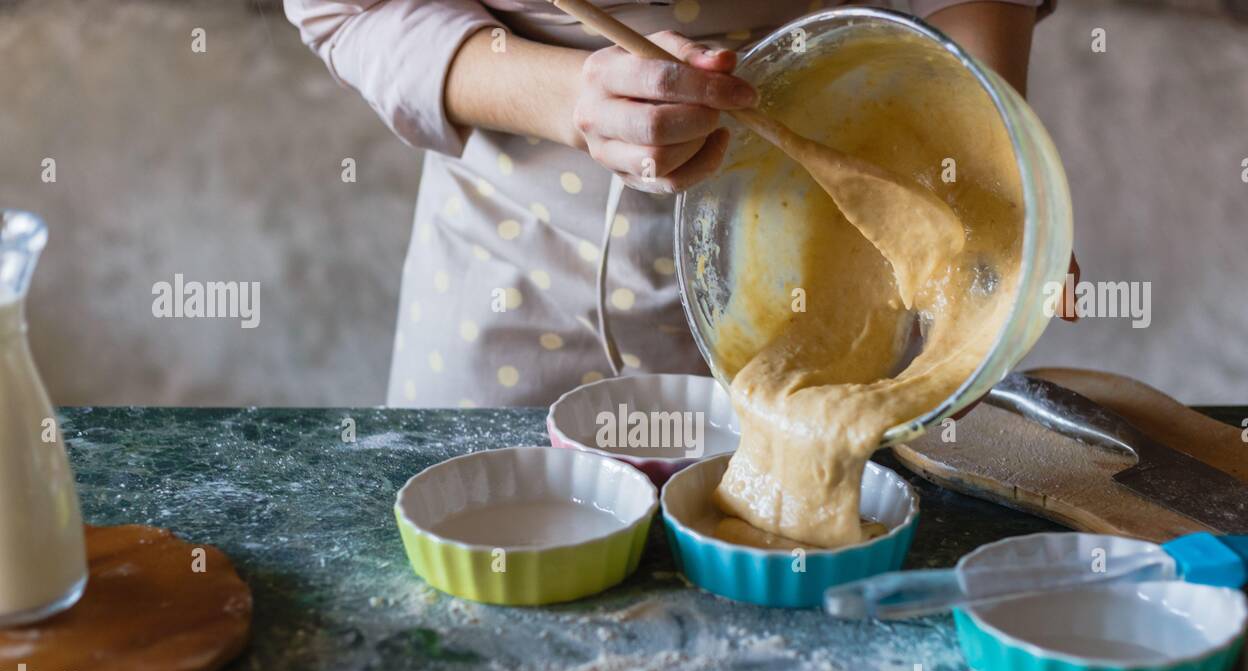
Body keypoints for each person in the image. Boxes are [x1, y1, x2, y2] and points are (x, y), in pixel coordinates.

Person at [285, 0, 1057, 408]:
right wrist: (567, 96)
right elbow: (352, 7)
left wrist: (991, 158)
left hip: (849, 278)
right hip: (516, 289)